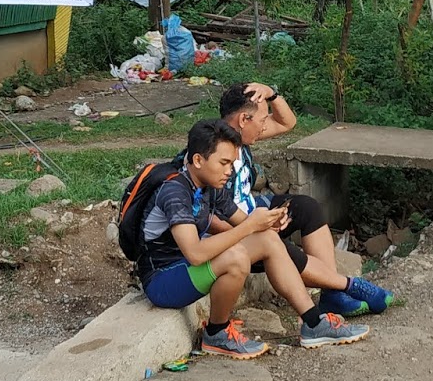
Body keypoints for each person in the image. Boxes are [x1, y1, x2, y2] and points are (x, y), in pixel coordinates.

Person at [136, 119, 369, 357]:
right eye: (224, 163)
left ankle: (313, 323)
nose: (229, 171)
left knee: (267, 239)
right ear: (198, 160)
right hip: (163, 279)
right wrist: (249, 226)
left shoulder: (211, 186)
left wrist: (270, 222)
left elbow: (243, 223)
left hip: (187, 269)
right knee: (236, 257)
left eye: (231, 163)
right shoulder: (174, 192)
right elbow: (195, 253)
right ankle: (217, 333)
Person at [216, 82, 393, 317]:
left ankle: (332, 296)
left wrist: (272, 93)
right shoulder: (215, 153)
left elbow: (287, 122)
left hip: (249, 213)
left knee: (306, 207)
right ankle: (345, 285)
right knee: (280, 247)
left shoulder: (240, 137)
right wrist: (256, 225)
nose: (264, 126)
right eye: (261, 120)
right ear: (243, 120)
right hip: (230, 231)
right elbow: (212, 212)